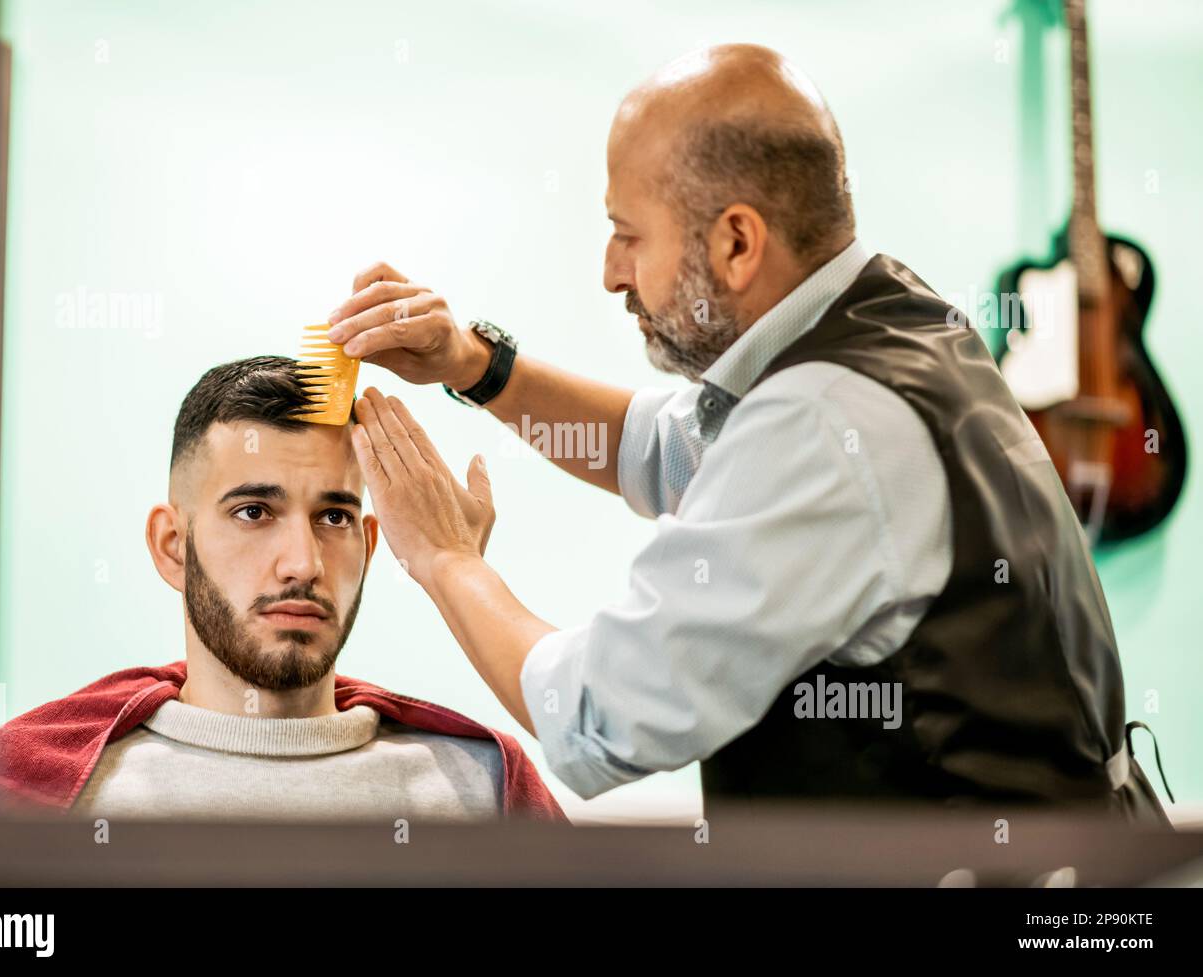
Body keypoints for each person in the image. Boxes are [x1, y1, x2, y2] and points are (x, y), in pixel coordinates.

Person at [326, 43, 1168, 822]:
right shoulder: (889, 322)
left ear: (736, 242)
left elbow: (592, 716)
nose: (611, 271)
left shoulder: (826, 423)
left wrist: (445, 560)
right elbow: (656, 447)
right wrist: (474, 364)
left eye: (628, 235)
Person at [0, 356, 565, 822]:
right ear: (171, 546)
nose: (302, 564)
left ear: (368, 545)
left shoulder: (483, 789)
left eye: (334, 517)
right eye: (255, 511)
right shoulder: (21, 797)